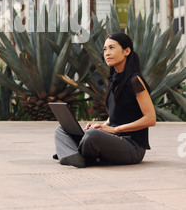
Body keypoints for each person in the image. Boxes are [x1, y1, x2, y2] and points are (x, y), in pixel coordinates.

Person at [54, 32, 156, 168]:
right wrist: (101, 126)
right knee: (62, 129)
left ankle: (73, 154)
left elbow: (150, 118)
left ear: (127, 51)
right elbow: (116, 115)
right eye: (105, 49)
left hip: (132, 147)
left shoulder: (135, 81)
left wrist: (115, 130)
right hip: (113, 140)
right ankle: (77, 155)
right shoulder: (115, 80)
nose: (107, 53)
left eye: (112, 48)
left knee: (92, 136)